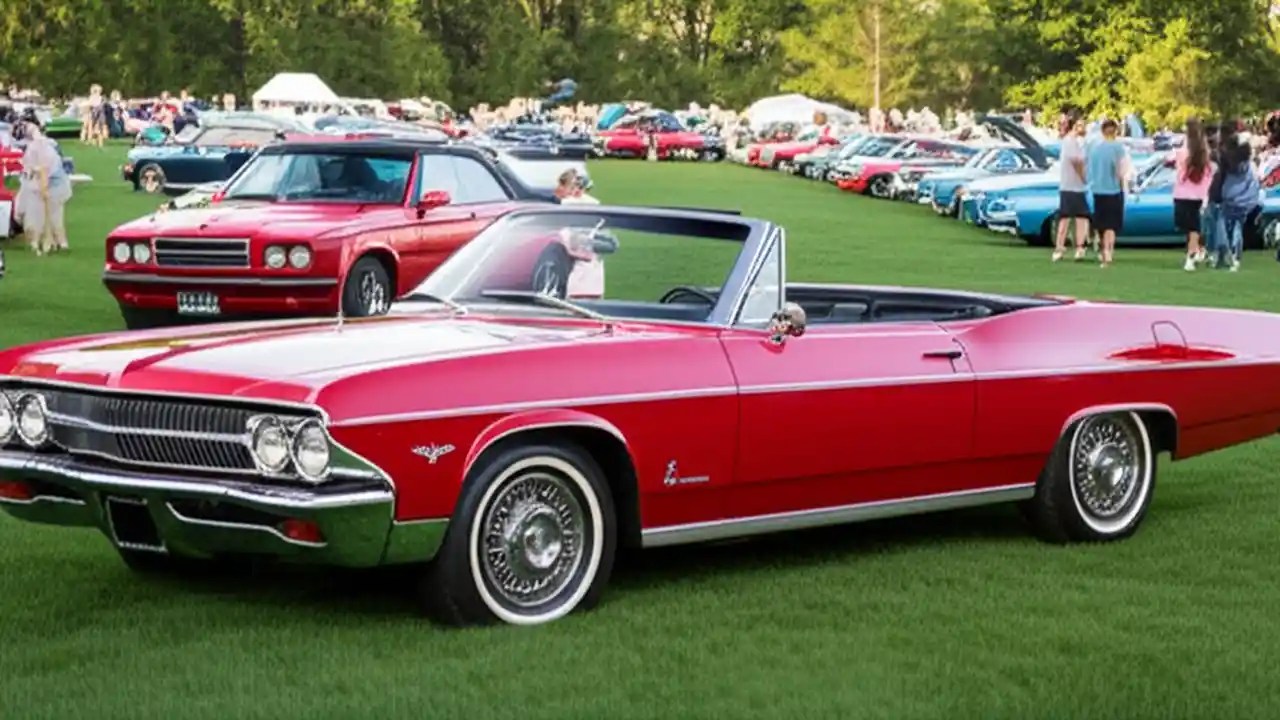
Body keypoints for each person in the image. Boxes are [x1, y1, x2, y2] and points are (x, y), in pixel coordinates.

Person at [17, 122, 72, 255]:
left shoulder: (40, 148)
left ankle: (56, 242)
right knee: (44, 214)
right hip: (45, 183)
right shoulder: (40, 146)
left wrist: (44, 189)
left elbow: (44, 170)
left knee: (52, 215)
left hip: (54, 184)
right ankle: (45, 241)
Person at [1085, 118, 1131, 267]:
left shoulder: (1095, 148)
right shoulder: (1118, 148)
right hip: (1113, 190)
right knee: (1111, 225)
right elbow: (1120, 170)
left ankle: (1102, 249)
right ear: (1115, 131)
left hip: (1097, 189)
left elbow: (1088, 169)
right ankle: (1108, 251)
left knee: (1101, 223)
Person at [1174, 118, 1214, 271]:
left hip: (1182, 193)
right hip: (1198, 195)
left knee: (1190, 228)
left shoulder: (1183, 153)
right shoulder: (1204, 154)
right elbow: (1209, 175)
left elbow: (1179, 171)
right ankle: (1197, 250)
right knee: (1193, 227)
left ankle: (1191, 256)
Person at [1217, 133, 1260, 272]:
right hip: (1243, 201)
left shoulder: (1227, 164)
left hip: (1229, 199)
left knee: (1226, 228)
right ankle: (1236, 257)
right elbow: (1254, 183)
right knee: (1238, 228)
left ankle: (1226, 254)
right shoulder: (1248, 166)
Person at [1053, 114, 1090, 261]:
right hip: (1071, 186)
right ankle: (1061, 248)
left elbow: (1078, 161)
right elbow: (1077, 161)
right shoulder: (1070, 141)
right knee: (1068, 218)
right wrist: (1084, 178)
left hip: (1072, 187)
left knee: (1077, 217)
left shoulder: (1071, 141)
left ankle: (1076, 248)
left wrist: (1083, 177)